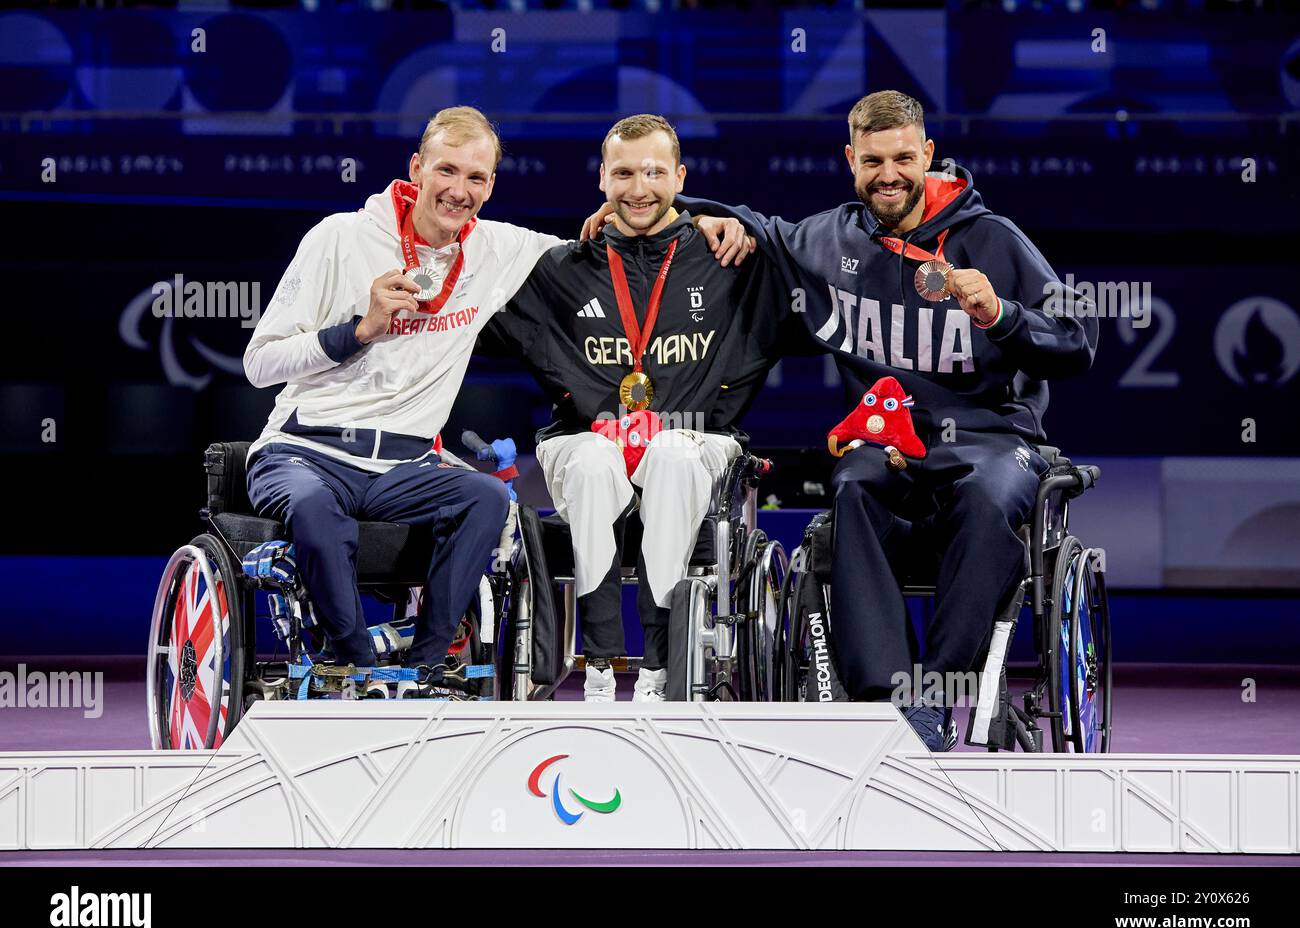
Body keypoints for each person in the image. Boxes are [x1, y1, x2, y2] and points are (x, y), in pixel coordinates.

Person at [638, 90, 1097, 747]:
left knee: (986, 499)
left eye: (904, 157)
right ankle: (885, 701)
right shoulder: (829, 240)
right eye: (873, 160)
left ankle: (937, 698)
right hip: (890, 446)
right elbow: (754, 226)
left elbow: (1076, 342)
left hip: (992, 439)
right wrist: (701, 216)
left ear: (928, 155)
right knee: (851, 487)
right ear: (850, 160)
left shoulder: (990, 238)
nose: (890, 174)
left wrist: (1001, 313)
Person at [243, 106, 565, 697]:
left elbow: (603, 245)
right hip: (305, 450)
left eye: (476, 178)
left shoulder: (500, 249)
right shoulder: (339, 237)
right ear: (416, 168)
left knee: (488, 496)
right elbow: (259, 363)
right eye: (446, 171)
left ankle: (424, 668)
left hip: (404, 465)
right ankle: (359, 669)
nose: (459, 190)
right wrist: (358, 330)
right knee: (316, 509)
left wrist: (706, 222)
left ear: (491, 186)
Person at [482, 114, 788, 702]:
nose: (638, 187)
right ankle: (597, 665)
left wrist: (728, 218)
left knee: (673, 453)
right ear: (601, 179)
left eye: (654, 172)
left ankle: (657, 666)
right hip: (584, 440)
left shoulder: (729, 260)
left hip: (695, 438)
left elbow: (807, 244)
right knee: (596, 459)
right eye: (623, 173)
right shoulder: (563, 268)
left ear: (681, 176)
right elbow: (468, 300)